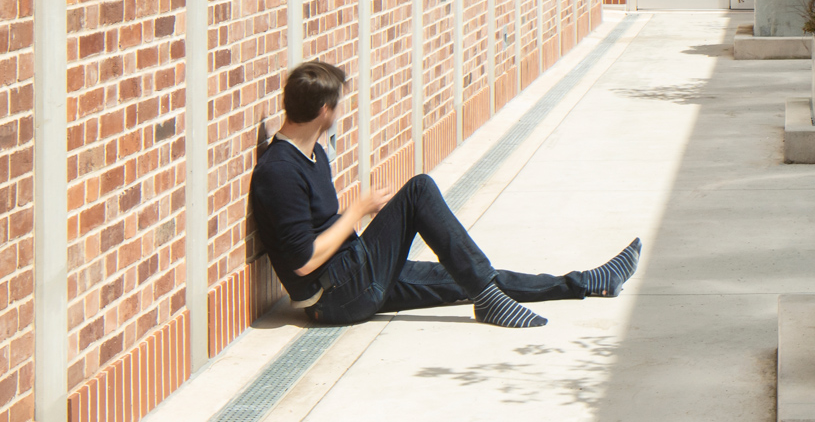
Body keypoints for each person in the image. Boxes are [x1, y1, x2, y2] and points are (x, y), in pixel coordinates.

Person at [250, 60, 640, 329]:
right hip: (335, 297)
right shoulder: (280, 171)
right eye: (337, 107)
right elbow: (302, 262)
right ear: (323, 110)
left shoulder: (313, 153)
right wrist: (357, 212)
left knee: (468, 277)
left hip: (354, 271)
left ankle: (588, 282)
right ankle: (489, 299)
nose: (339, 114)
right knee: (419, 189)